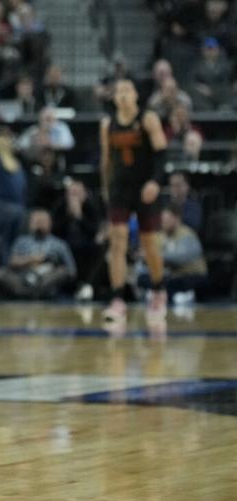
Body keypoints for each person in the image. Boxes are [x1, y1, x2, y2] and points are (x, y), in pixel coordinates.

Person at [100, 78, 169, 328]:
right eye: (118, 91)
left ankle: (159, 290)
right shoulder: (107, 124)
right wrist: (105, 188)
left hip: (144, 189)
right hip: (120, 189)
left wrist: (155, 182)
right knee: (117, 241)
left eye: (127, 90)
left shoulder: (148, 119)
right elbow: (106, 161)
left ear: (136, 95)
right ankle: (118, 299)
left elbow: (162, 155)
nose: (123, 94)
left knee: (149, 244)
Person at [2, 209, 77, 298]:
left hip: (47, 279)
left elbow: (71, 270)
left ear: (50, 223)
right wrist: (31, 259)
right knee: (2, 272)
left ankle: (34, 293)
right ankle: (29, 293)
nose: (39, 224)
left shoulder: (59, 244)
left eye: (42, 221)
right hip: (24, 278)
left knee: (62, 271)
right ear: (30, 224)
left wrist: (52, 265)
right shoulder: (21, 241)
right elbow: (11, 262)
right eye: (36, 221)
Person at [152, 208, 208, 302]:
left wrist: (157, 256)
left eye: (167, 220)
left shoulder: (187, 234)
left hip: (192, 275)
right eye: (162, 220)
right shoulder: (161, 235)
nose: (163, 223)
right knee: (146, 279)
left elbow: (181, 258)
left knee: (169, 284)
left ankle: (184, 296)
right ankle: (175, 296)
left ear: (177, 219)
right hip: (172, 275)